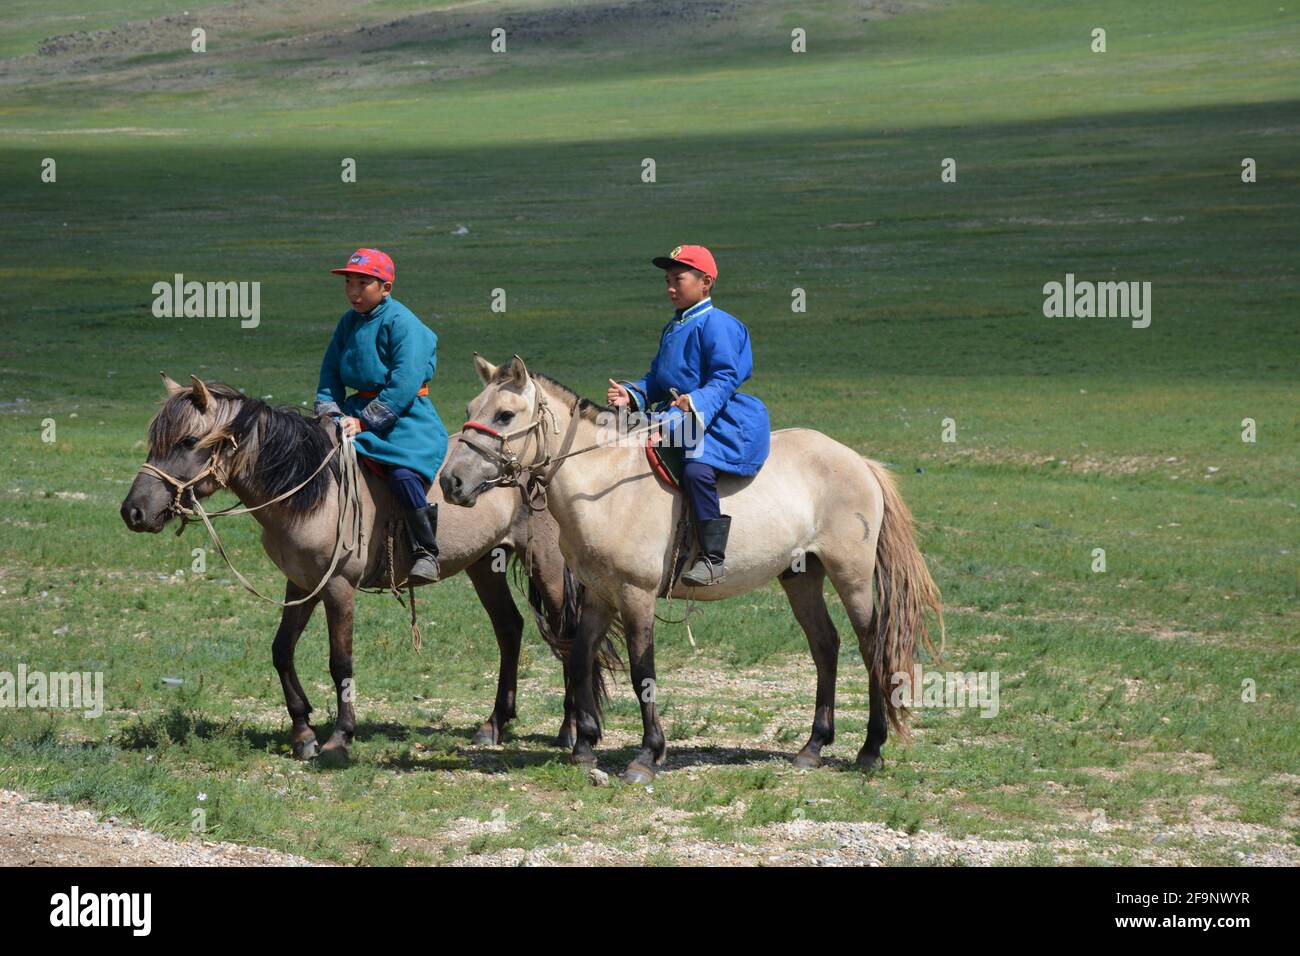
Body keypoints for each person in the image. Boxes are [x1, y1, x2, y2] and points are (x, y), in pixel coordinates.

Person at [607, 245, 770, 585]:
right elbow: (657, 379)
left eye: (678, 280)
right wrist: (633, 393)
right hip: (675, 415)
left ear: (705, 282)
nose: (670, 287)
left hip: (715, 419)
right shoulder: (674, 327)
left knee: (696, 470)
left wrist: (693, 403)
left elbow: (725, 377)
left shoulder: (718, 324)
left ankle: (712, 558)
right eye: (667, 280)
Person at [314, 248, 447, 584]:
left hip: (406, 419)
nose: (353, 291)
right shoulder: (348, 323)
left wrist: (365, 422)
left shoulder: (403, 324)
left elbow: (404, 382)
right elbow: (330, 373)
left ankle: (425, 550)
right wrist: (329, 413)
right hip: (355, 412)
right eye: (349, 283)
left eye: (363, 283)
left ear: (386, 288)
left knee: (403, 474)